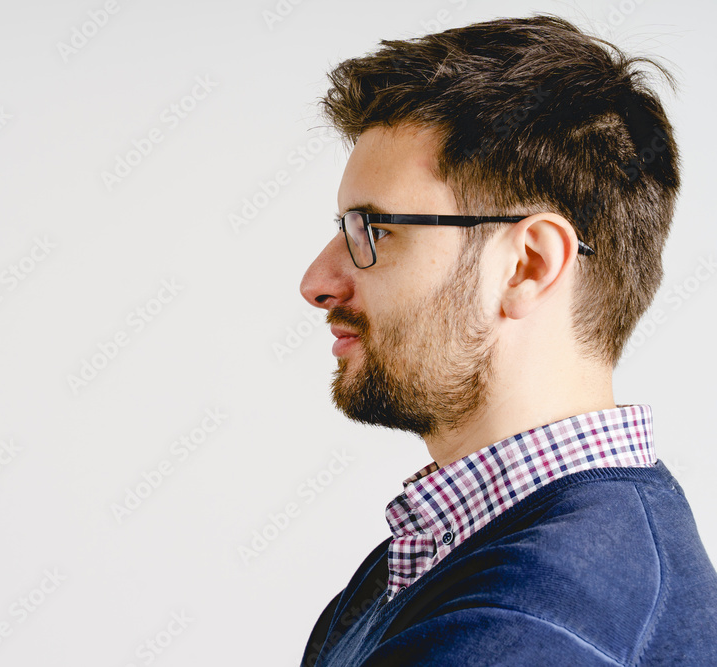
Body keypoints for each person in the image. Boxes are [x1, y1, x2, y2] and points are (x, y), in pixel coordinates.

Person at [297, 14, 717, 666]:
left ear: (527, 265)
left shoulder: (536, 618)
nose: (318, 280)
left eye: (372, 229)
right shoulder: (452, 552)